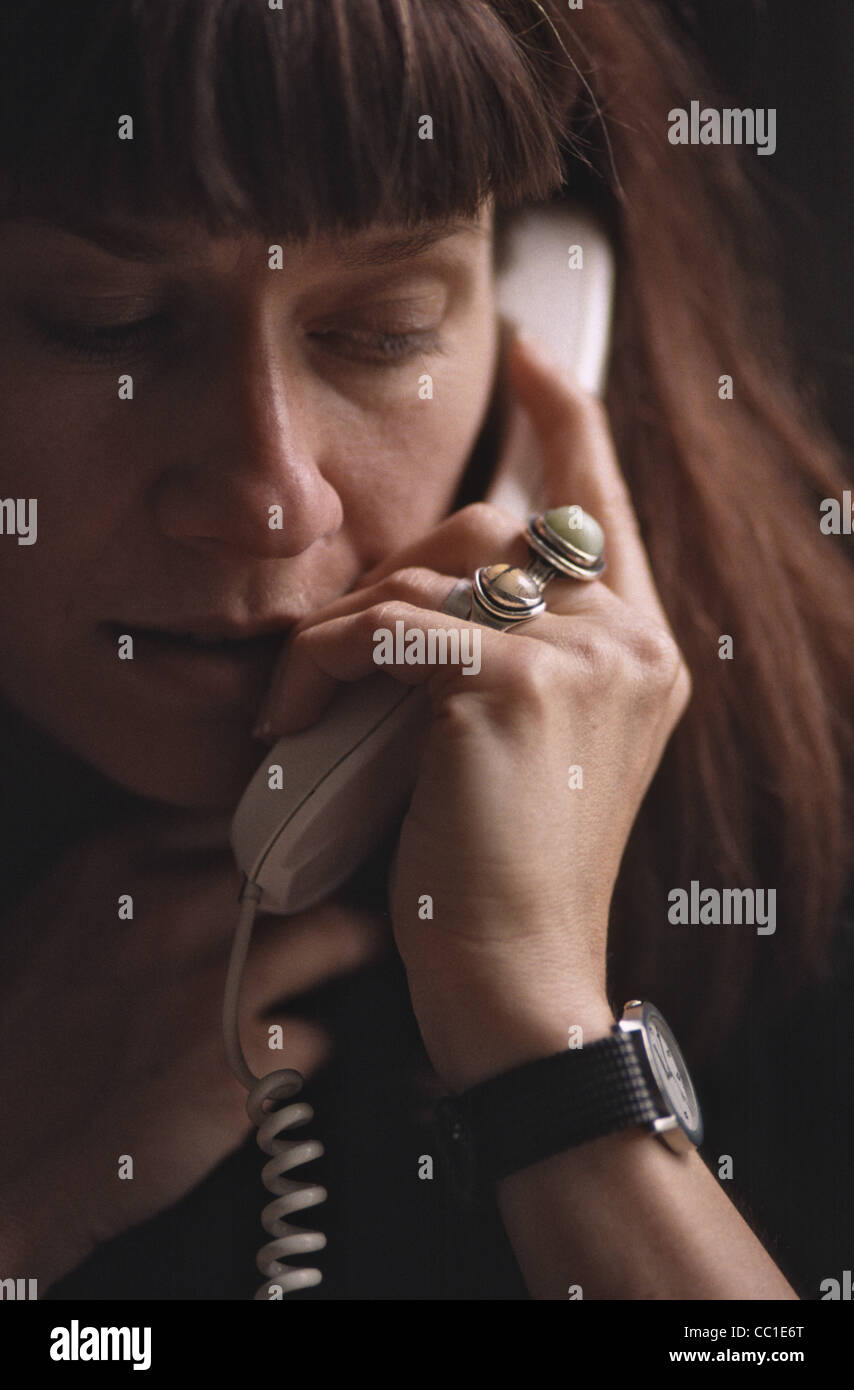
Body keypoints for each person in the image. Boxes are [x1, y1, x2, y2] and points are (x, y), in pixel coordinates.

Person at [0, 0, 851, 1302]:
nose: (272, 497)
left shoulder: (807, 819)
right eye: (104, 321)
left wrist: (543, 1042)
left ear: (539, 302)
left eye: (387, 325)